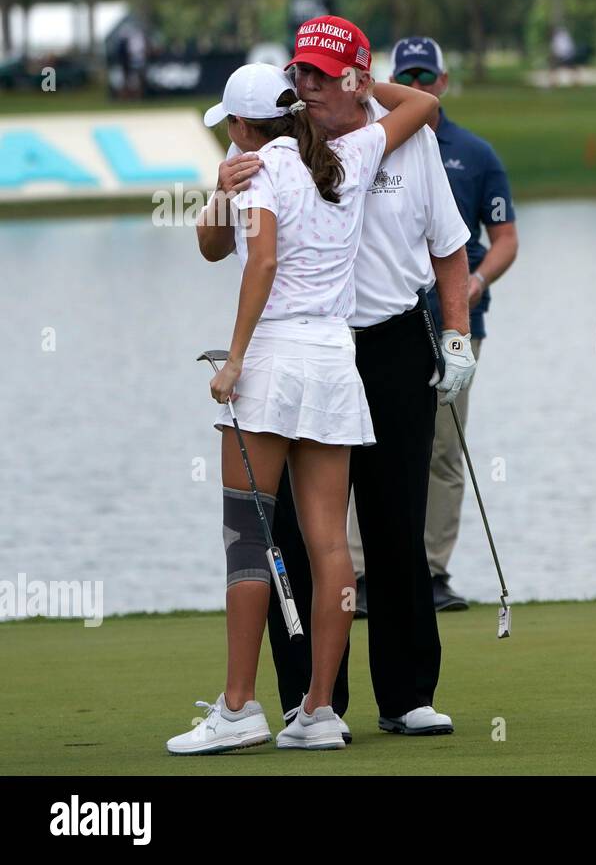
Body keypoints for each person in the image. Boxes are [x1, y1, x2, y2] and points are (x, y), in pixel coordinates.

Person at [166, 62, 439, 754]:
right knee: (327, 546)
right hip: (334, 362)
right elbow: (424, 105)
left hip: (273, 362)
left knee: (247, 540)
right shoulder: (345, 152)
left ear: (237, 125)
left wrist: (233, 359)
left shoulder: (256, 169)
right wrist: (363, 83)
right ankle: (318, 709)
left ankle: (238, 708)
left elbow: (258, 265)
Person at [217, 16, 474, 738]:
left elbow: (450, 248)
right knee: (299, 539)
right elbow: (232, 248)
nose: (308, 86)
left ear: (356, 78)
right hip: (317, 349)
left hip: (391, 344)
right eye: (300, 73)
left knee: (396, 523)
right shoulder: (282, 145)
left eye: (323, 75)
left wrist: (455, 337)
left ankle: (407, 694)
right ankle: (309, 697)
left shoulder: (400, 139)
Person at [346, 36, 518, 613]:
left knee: (443, 452)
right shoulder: (365, 140)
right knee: (358, 448)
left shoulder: (475, 153)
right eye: (407, 77)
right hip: (378, 326)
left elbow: (501, 241)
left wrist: (473, 286)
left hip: (454, 322)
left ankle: (432, 572)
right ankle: (365, 574)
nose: (417, 88)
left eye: (426, 78)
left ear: (442, 82)